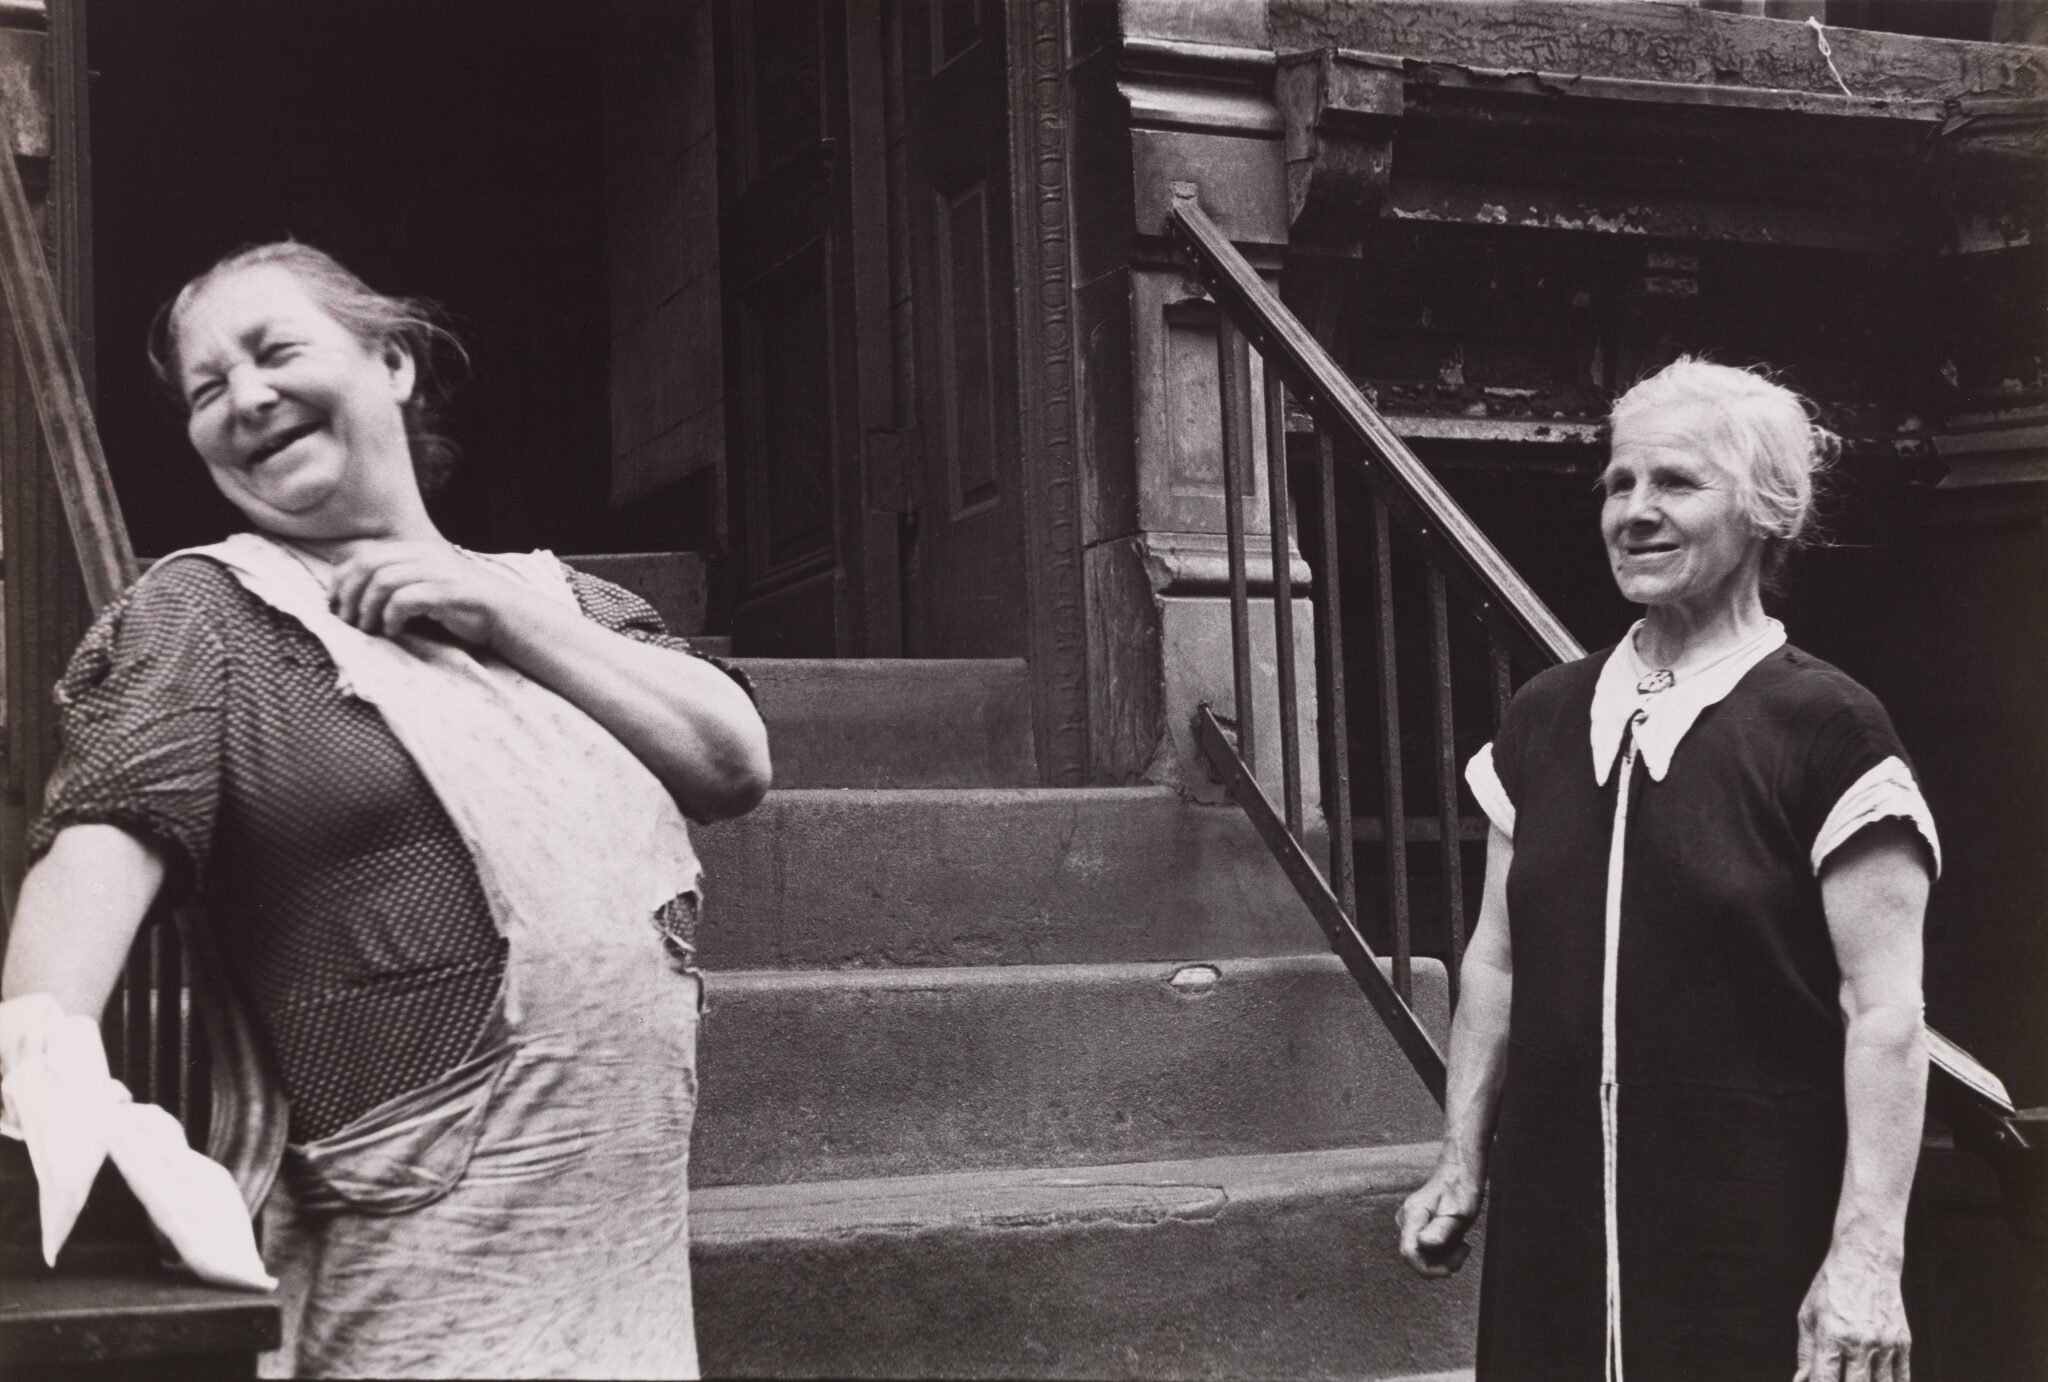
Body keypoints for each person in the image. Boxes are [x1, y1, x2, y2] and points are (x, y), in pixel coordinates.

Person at [0, 241, 771, 1379]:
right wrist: (43, 1059)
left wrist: (500, 612)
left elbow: (731, 761)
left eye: (274, 351)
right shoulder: (206, 615)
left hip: (620, 1249)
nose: (246, 398)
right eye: (207, 390)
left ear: (395, 363)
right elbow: (88, 869)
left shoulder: (576, 604)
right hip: (407, 1257)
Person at [1396, 358, 1936, 1381]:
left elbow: (1885, 1016)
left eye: (1675, 483)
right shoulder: (1542, 717)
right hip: (1553, 1230)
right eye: (1617, 482)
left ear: (1766, 509)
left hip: (1748, 1231)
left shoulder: (1826, 728)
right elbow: (1496, 964)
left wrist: (1866, 1254)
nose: (1633, 512)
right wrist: (1461, 1157)